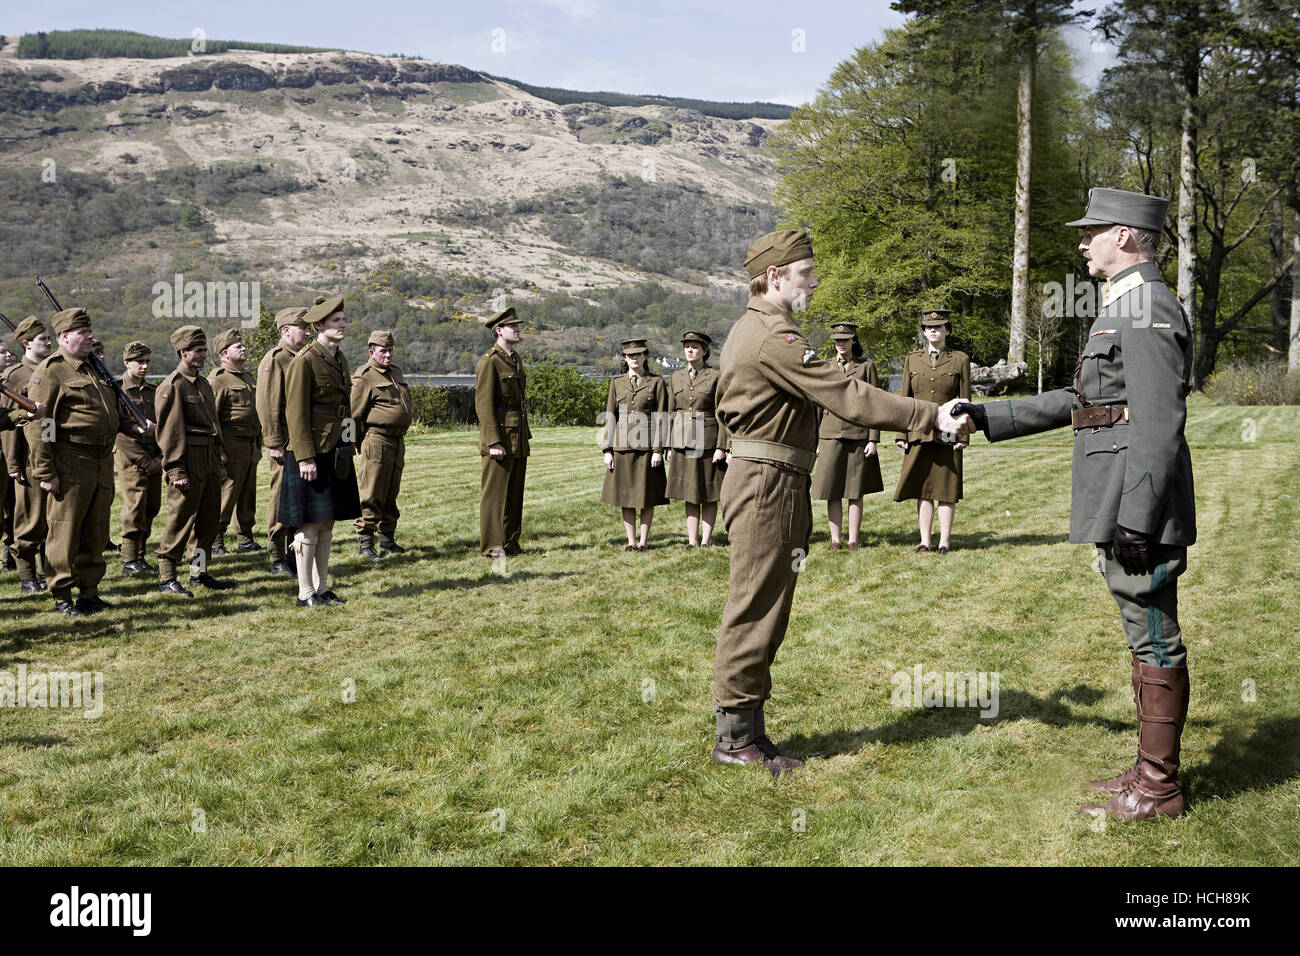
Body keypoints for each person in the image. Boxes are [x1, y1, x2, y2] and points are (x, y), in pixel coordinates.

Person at [953, 187, 1195, 820]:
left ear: (1126, 236)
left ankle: (1160, 788)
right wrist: (989, 415)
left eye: (1093, 231)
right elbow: (1082, 397)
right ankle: (1149, 770)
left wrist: (1138, 518)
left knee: (1152, 633)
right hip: (1118, 497)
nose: (1082, 242)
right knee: (1141, 632)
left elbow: (1156, 424)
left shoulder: (1147, 307)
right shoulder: (1126, 305)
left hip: (1136, 503)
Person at [712, 229, 973, 775]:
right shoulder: (771, 336)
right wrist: (930, 416)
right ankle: (736, 738)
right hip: (768, 482)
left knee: (767, 606)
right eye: (806, 272)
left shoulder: (758, 329)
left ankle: (748, 730)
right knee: (756, 606)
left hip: (771, 477)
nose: (814, 281)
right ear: (776, 276)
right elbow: (849, 395)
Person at [26, 308, 143, 615]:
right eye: (83, 332)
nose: (90, 336)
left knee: (96, 529)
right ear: (64, 337)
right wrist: (46, 470)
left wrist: (132, 425)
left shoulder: (95, 368)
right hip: (71, 458)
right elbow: (41, 425)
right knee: (65, 529)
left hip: (101, 458)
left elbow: (108, 413)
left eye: (90, 331)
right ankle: (62, 595)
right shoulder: (52, 370)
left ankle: (89, 592)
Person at [281, 295, 360, 607]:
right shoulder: (305, 361)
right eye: (336, 321)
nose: (342, 325)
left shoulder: (339, 358)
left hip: (336, 449)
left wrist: (349, 442)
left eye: (342, 319)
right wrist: (304, 457)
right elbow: (295, 413)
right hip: (311, 451)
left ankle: (323, 587)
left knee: (327, 521)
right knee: (310, 523)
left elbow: (346, 407)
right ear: (318, 326)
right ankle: (305, 593)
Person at [155, 325, 233, 596]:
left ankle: (199, 573)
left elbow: (214, 423)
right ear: (183, 352)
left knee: (208, 520)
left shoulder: (203, 384)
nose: (202, 355)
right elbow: (170, 432)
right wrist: (176, 469)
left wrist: (219, 458)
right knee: (180, 518)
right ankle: (167, 577)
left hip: (208, 456)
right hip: (187, 458)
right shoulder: (173, 385)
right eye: (198, 351)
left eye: (203, 350)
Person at [893, 308, 971, 554]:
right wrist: (901, 434)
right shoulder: (912, 360)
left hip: (949, 431)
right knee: (923, 489)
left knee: (946, 490)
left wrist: (963, 436)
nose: (933, 330)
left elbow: (965, 400)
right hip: (919, 430)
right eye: (928, 327)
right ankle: (924, 541)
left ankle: (944, 542)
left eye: (938, 326)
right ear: (924, 331)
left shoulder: (960, 360)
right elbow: (904, 399)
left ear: (947, 330)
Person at [811, 322, 884, 552]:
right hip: (829, 433)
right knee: (831, 489)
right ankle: (835, 539)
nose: (840, 344)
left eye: (845, 339)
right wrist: (815, 440)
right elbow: (816, 404)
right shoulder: (825, 367)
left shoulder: (866, 367)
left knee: (855, 490)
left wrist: (873, 438)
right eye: (836, 340)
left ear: (854, 340)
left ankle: (853, 540)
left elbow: (875, 403)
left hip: (858, 432)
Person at [257, 306, 311, 575]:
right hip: (286, 442)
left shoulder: (302, 357)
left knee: (298, 500)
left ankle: (292, 552)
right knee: (281, 499)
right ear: (287, 330)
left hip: (302, 442)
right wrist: (274, 442)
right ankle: (277, 555)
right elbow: (268, 403)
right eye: (304, 327)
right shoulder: (276, 358)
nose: (308, 332)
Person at [601, 339, 668, 551]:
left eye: (638, 354)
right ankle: (630, 541)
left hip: (647, 448)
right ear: (625, 358)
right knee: (625, 496)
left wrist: (658, 449)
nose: (635, 358)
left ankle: (644, 541)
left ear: (645, 356)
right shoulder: (616, 382)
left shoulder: (656, 382)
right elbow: (610, 417)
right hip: (621, 447)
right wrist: (607, 450)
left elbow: (662, 418)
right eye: (630, 355)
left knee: (647, 496)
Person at [352, 329, 413, 559]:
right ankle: (365, 543)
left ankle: (387, 539)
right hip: (376, 439)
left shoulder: (395, 372)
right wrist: (354, 445)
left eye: (390, 350)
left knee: (391, 491)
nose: (388, 355)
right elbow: (352, 415)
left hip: (397, 440)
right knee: (371, 492)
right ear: (372, 352)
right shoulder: (365, 375)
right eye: (383, 351)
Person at [3, 316, 53, 593]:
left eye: (48, 338)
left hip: (51, 454)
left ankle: (48, 572)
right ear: (26, 343)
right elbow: (9, 425)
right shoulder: (15, 375)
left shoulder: (51, 369)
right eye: (43, 339)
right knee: (29, 520)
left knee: (50, 520)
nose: (49, 342)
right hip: (28, 458)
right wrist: (13, 463)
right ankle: (27, 576)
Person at [475, 307, 531, 558]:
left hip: (518, 434)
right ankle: (491, 545)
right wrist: (493, 441)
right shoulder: (490, 361)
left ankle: (510, 541)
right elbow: (484, 405)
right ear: (499, 330)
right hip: (501, 436)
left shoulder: (514, 358)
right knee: (495, 495)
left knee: (514, 493)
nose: (518, 329)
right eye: (513, 326)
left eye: (518, 325)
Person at [666, 331, 727, 547]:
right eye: (687, 346)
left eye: (694, 346)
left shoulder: (716, 376)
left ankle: (706, 540)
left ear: (704, 351)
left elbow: (724, 414)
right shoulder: (676, 377)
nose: (690, 350)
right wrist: (669, 446)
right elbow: (671, 413)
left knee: (709, 492)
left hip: (708, 442)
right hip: (682, 441)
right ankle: (692, 540)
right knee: (690, 493)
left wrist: (722, 446)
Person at [208, 328, 263, 556]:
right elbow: (212, 418)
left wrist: (258, 445)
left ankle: (245, 538)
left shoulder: (249, 378)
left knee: (248, 494)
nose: (244, 348)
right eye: (237, 346)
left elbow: (257, 413)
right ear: (224, 353)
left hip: (249, 443)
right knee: (226, 493)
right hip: (231, 443)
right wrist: (218, 449)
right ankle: (215, 540)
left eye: (242, 345)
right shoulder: (218, 379)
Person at [115, 341, 163, 575]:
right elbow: (119, 433)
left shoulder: (152, 391)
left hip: (154, 457)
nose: (144, 366)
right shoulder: (117, 391)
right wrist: (145, 461)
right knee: (135, 508)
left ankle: (141, 557)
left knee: (151, 507)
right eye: (139, 362)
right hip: (132, 457)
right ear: (127, 363)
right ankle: (130, 560)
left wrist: (159, 457)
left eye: (147, 362)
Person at [0, 341, 15, 572]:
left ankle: (9, 556)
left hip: (10, 455)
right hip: (5, 454)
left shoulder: (8, 382)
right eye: (2, 352)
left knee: (12, 508)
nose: (8, 355)